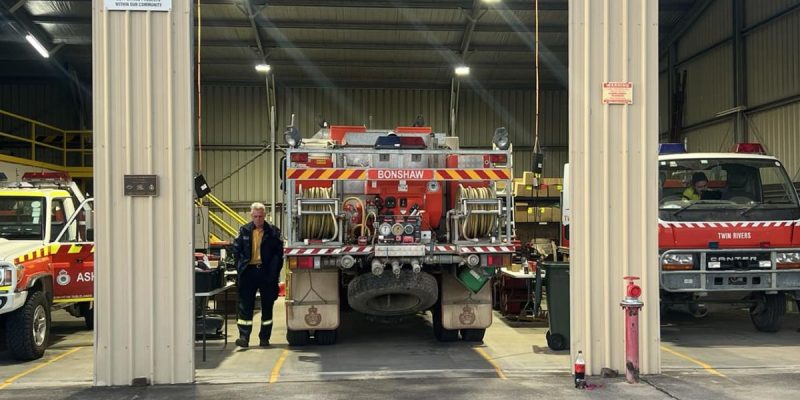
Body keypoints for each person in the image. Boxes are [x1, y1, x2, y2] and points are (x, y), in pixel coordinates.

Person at [233, 202, 283, 348]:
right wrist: (240, 268)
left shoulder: (273, 232)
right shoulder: (244, 230)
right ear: (251, 215)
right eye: (255, 216)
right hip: (248, 272)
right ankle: (244, 337)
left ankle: (264, 338)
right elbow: (236, 251)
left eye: (260, 216)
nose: (258, 219)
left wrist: (274, 272)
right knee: (245, 305)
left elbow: (278, 254)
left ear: (265, 215)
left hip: (266, 273)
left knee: (267, 305)